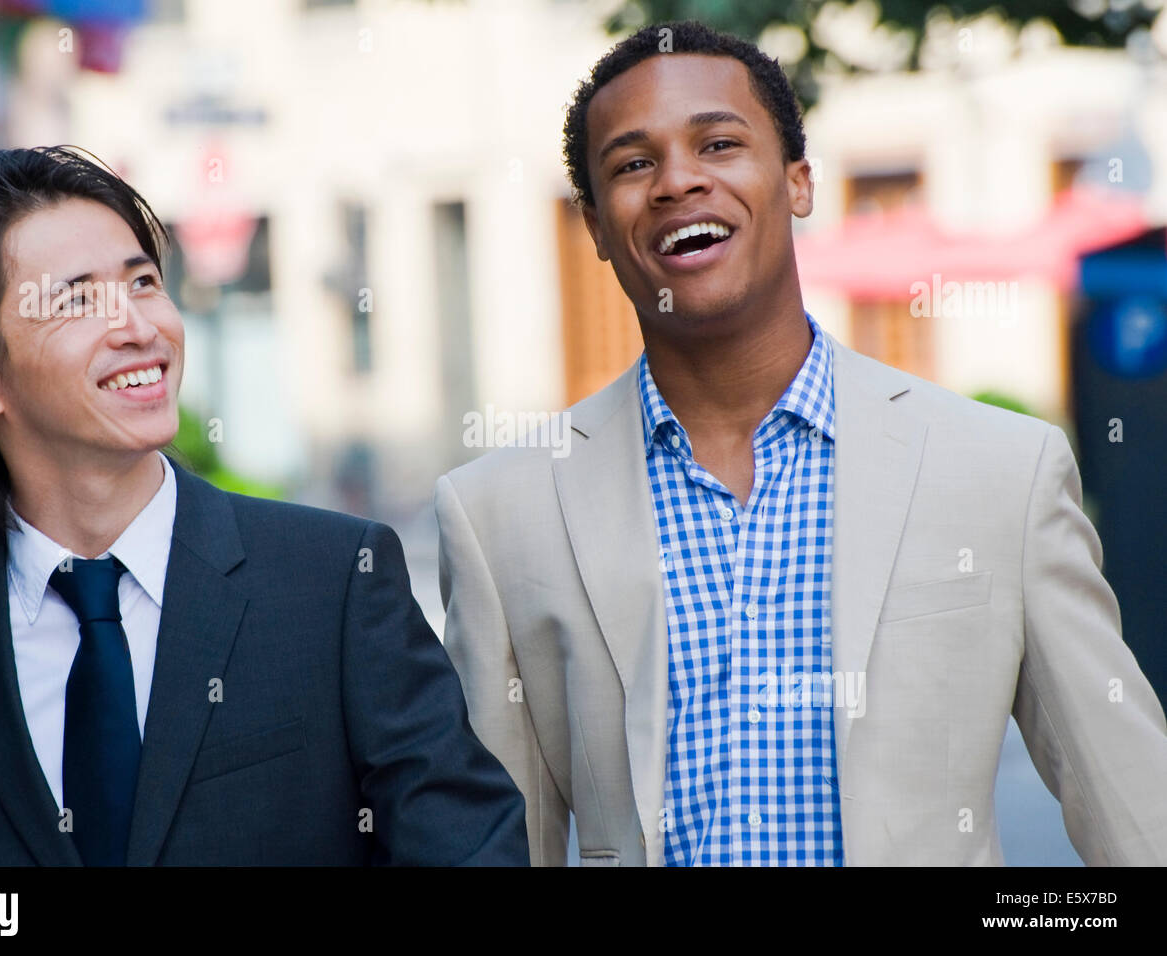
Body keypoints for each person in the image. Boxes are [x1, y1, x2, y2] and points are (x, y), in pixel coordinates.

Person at [434, 21, 1167, 866]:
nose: (678, 181)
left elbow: (1138, 820)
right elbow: (495, 847)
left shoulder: (1000, 472)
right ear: (596, 228)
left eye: (718, 143)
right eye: (634, 164)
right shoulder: (499, 513)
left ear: (798, 182)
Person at [0, 145, 528, 866]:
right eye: (77, 299)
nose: (139, 327)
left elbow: (470, 851)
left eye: (143, 282)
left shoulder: (333, 582)